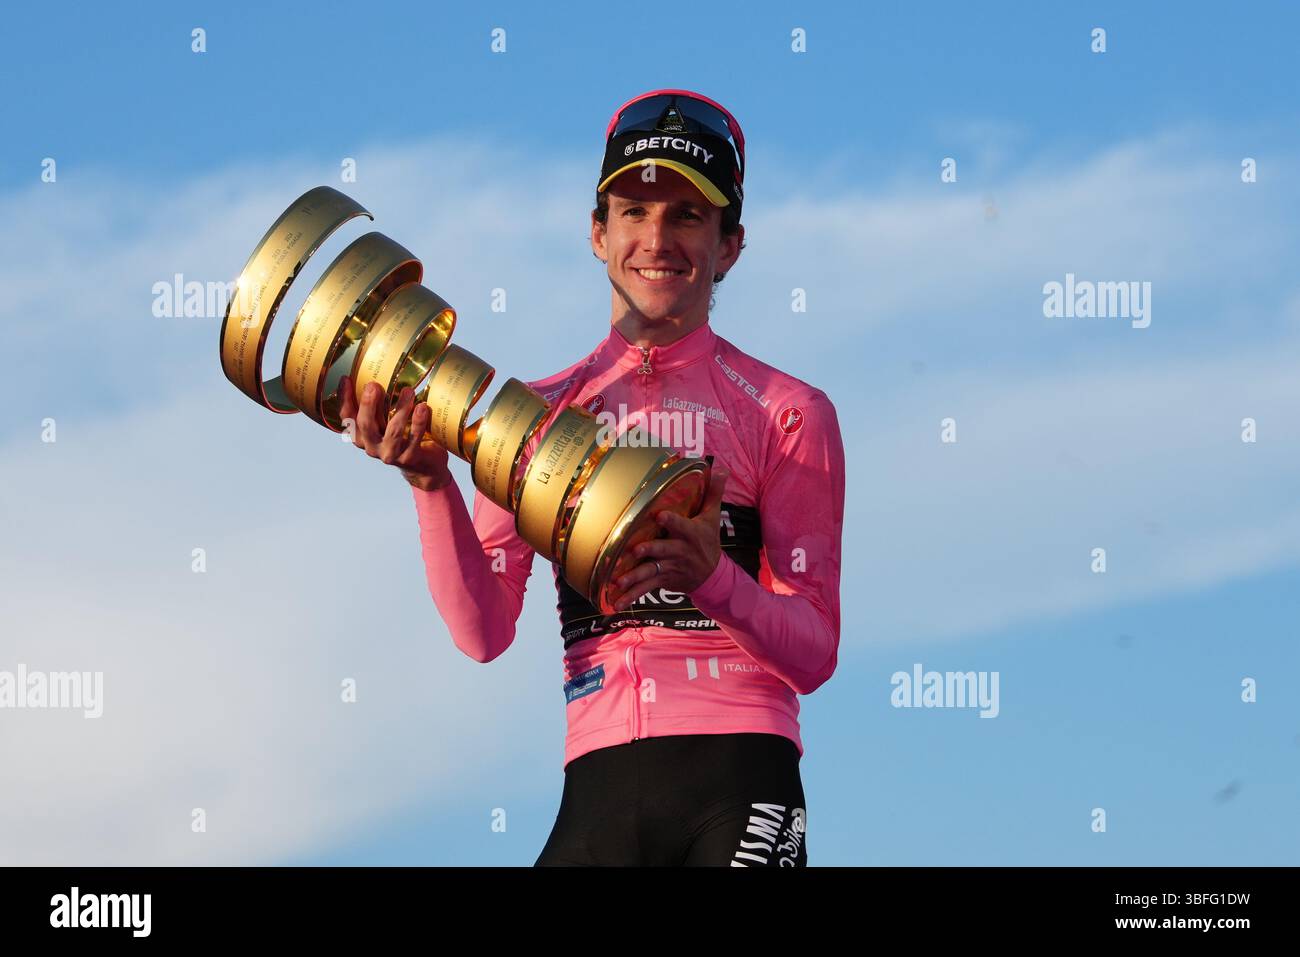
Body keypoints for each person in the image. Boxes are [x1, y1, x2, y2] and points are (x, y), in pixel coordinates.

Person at [338, 89, 846, 866]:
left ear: (731, 244)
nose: (657, 238)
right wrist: (432, 484)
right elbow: (483, 632)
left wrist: (715, 577)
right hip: (596, 788)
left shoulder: (786, 412)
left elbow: (813, 653)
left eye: (687, 214)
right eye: (634, 211)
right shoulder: (534, 416)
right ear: (597, 233)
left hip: (742, 777)